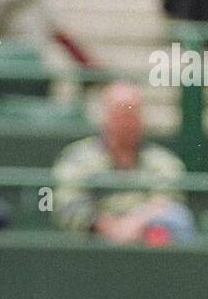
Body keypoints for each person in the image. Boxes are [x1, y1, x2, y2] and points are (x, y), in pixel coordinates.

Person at [52, 82, 194, 245]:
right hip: (93, 243)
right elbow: (67, 201)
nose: (127, 122)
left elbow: (169, 198)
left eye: (132, 113)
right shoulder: (78, 157)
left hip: (146, 240)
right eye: (120, 113)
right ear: (105, 116)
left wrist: (134, 223)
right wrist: (109, 227)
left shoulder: (162, 159)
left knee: (178, 218)